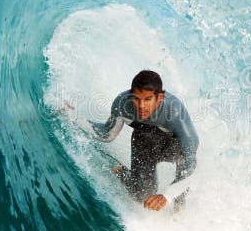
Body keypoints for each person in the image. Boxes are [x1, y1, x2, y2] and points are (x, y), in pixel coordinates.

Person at [67, 70, 199, 211]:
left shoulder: (174, 112)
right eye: (136, 99)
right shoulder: (123, 104)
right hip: (144, 144)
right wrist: (73, 116)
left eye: (148, 99)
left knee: (183, 165)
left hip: (173, 147)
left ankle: (178, 212)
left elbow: (190, 162)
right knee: (141, 195)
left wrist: (167, 196)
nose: (141, 106)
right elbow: (107, 134)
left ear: (159, 98)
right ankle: (122, 172)